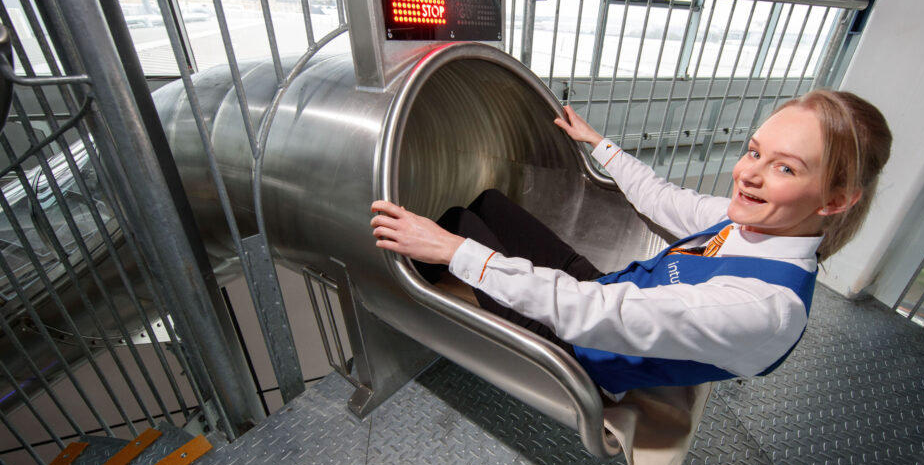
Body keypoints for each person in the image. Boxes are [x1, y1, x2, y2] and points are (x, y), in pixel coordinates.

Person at [370, 90, 891, 395]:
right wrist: (600, 145)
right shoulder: (750, 226)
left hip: (580, 347)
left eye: (784, 167)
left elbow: (593, 316)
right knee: (483, 205)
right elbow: (665, 199)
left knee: (458, 231)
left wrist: (451, 251)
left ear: (835, 200)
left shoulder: (765, 307)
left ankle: (422, 314)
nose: (748, 175)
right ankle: (457, 290)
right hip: (606, 291)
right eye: (754, 152)